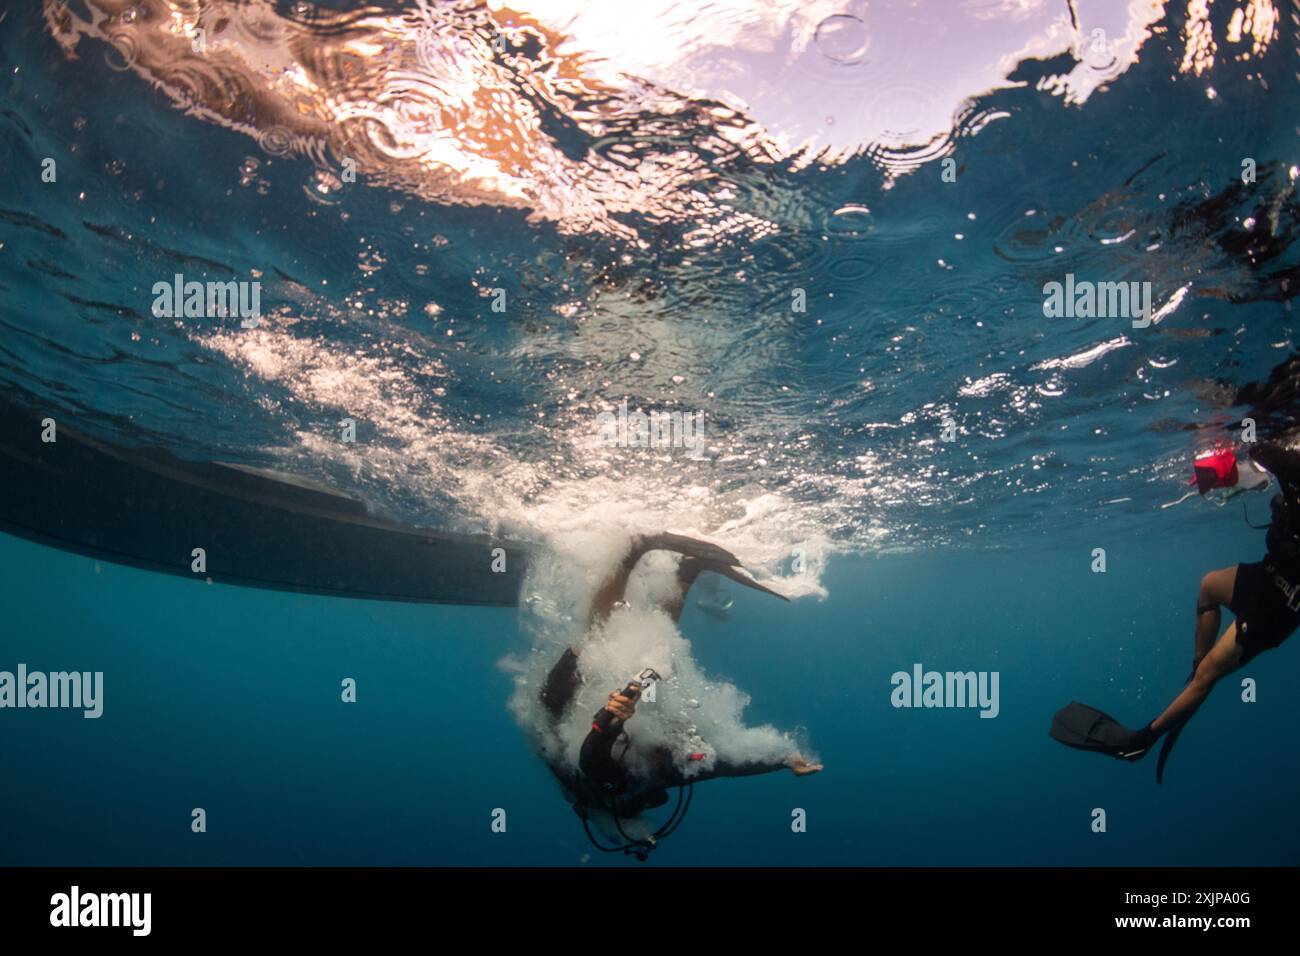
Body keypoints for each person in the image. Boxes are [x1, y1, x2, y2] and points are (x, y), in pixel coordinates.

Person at [536, 532, 821, 858]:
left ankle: (631, 549)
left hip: (559, 707)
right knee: (657, 662)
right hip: (622, 725)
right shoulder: (670, 766)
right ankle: (689, 570)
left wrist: (610, 718)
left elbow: (592, 753)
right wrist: (785, 760)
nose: (674, 745)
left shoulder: (612, 779)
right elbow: (727, 765)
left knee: (594, 645)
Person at [1051, 441, 1300, 780]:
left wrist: (1248, 435)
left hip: (1283, 604)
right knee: (1210, 586)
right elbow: (1265, 464)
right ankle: (1197, 674)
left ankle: (1141, 742)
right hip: (1269, 574)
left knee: (1212, 672)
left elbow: (1271, 454)